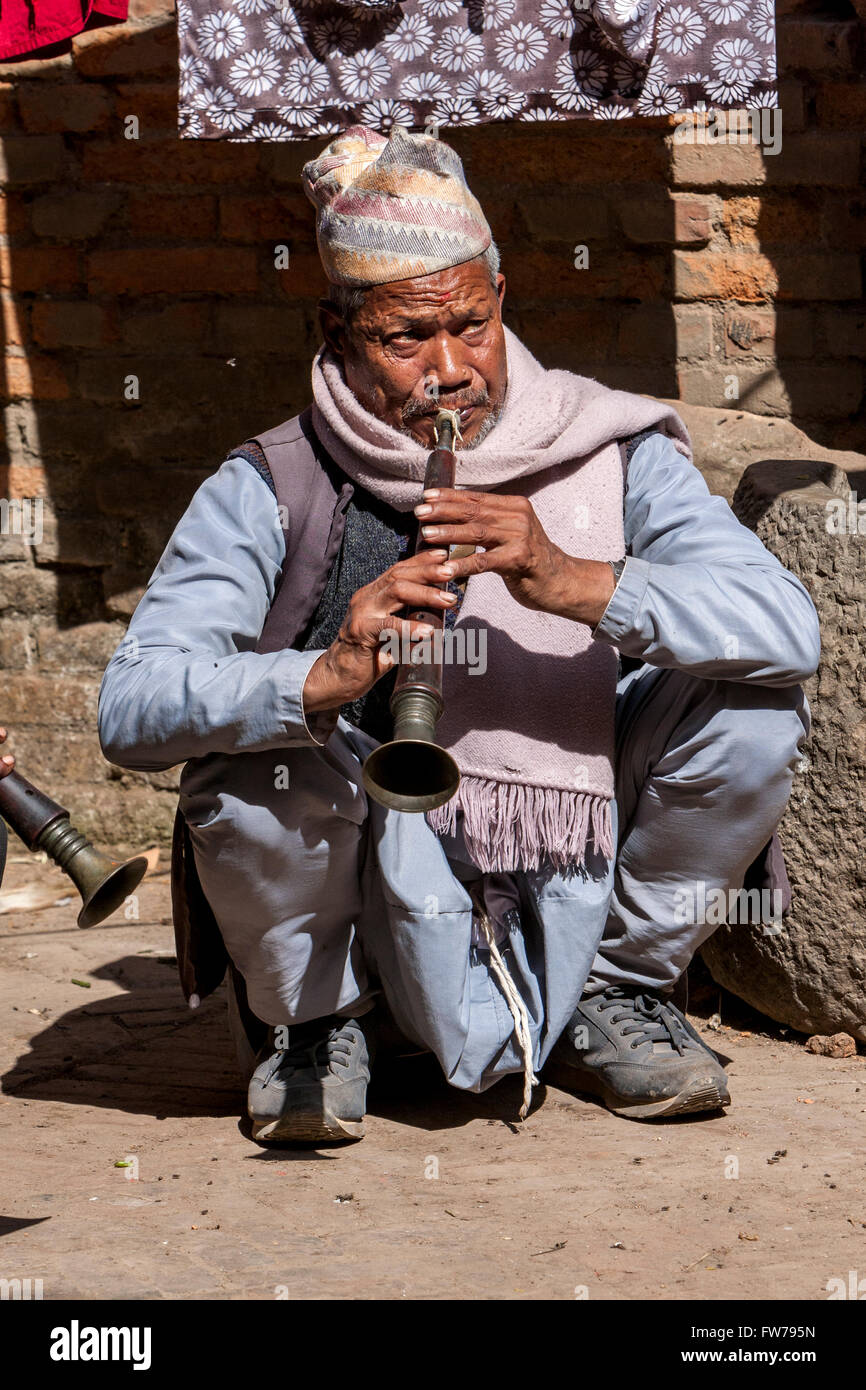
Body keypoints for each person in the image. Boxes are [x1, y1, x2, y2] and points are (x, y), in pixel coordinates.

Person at [98, 125, 819, 1143]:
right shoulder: (268, 481)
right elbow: (130, 705)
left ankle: (617, 987)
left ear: (502, 297)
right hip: (352, 869)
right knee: (256, 750)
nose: (449, 371)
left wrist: (574, 581)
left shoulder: (607, 450)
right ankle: (312, 1021)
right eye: (404, 340)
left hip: (566, 854)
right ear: (336, 329)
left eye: (470, 327)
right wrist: (324, 675)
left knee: (752, 699)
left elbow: (787, 629)